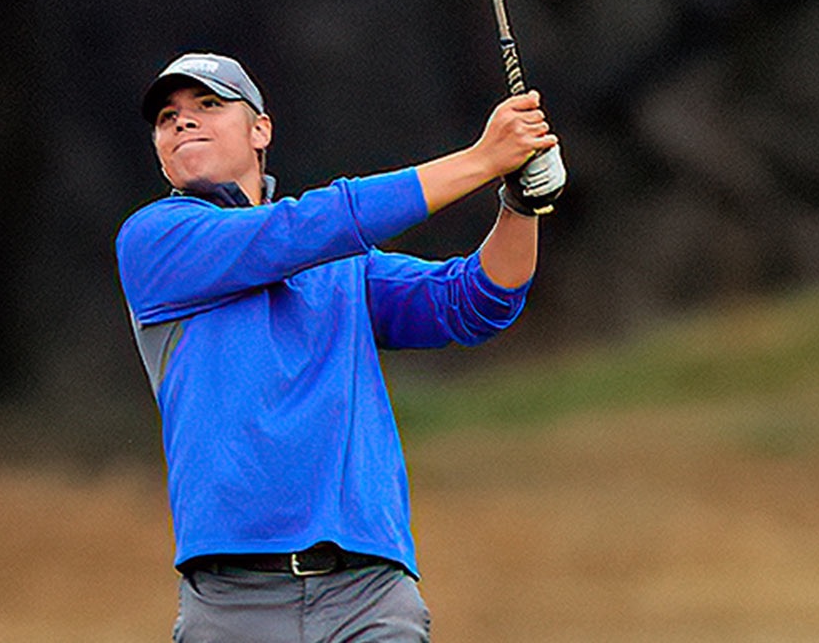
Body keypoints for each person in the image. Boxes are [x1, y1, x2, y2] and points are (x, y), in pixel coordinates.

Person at [115, 52, 564, 642]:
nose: (183, 121)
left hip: (366, 595)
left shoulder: (340, 265)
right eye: (167, 117)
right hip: (231, 602)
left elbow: (473, 301)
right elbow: (298, 231)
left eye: (209, 104)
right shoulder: (155, 240)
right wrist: (482, 160)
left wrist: (520, 204)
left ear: (260, 130)